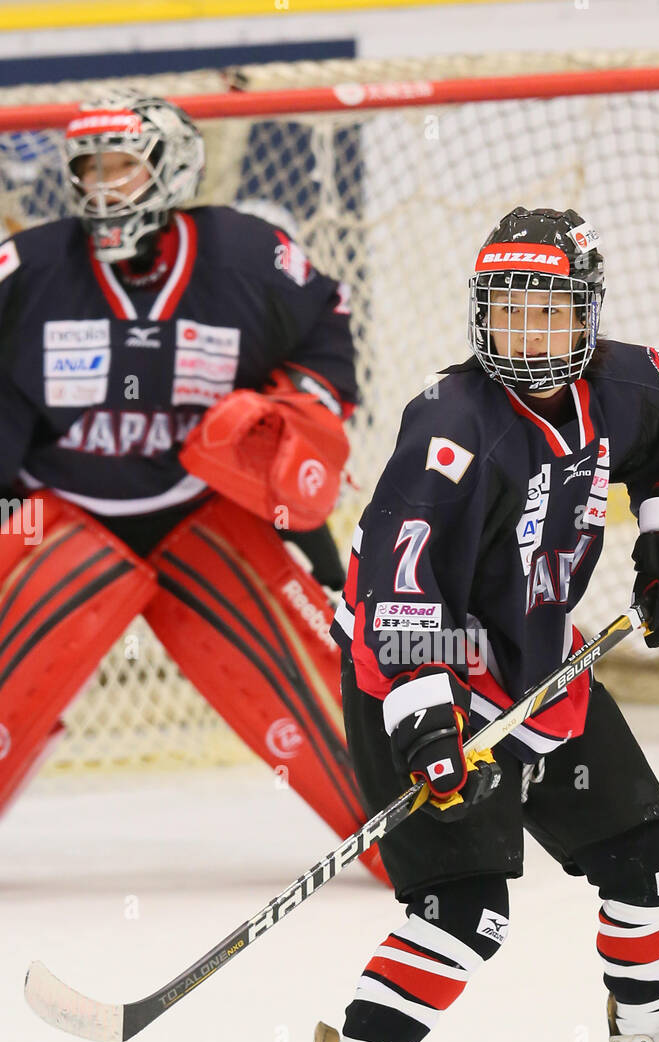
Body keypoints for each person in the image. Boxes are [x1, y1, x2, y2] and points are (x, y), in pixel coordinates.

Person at [284, 206, 659, 1042]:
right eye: (504, 308)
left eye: (545, 310)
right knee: (463, 908)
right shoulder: (451, 425)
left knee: (647, 868)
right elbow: (396, 583)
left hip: (540, 667)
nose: (523, 333)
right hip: (414, 671)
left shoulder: (624, 386)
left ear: (584, 311)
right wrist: (423, 717)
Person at [0, 89, 386, 882]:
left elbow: (328, 322)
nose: (102, 187)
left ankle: (424, 831)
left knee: (344, 731)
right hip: (61, 511)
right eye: (88, 168)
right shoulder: (29, 270)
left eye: (121, 166)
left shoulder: (247, 257)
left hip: (205, 514)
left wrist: (296, 410)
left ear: (169, 169)